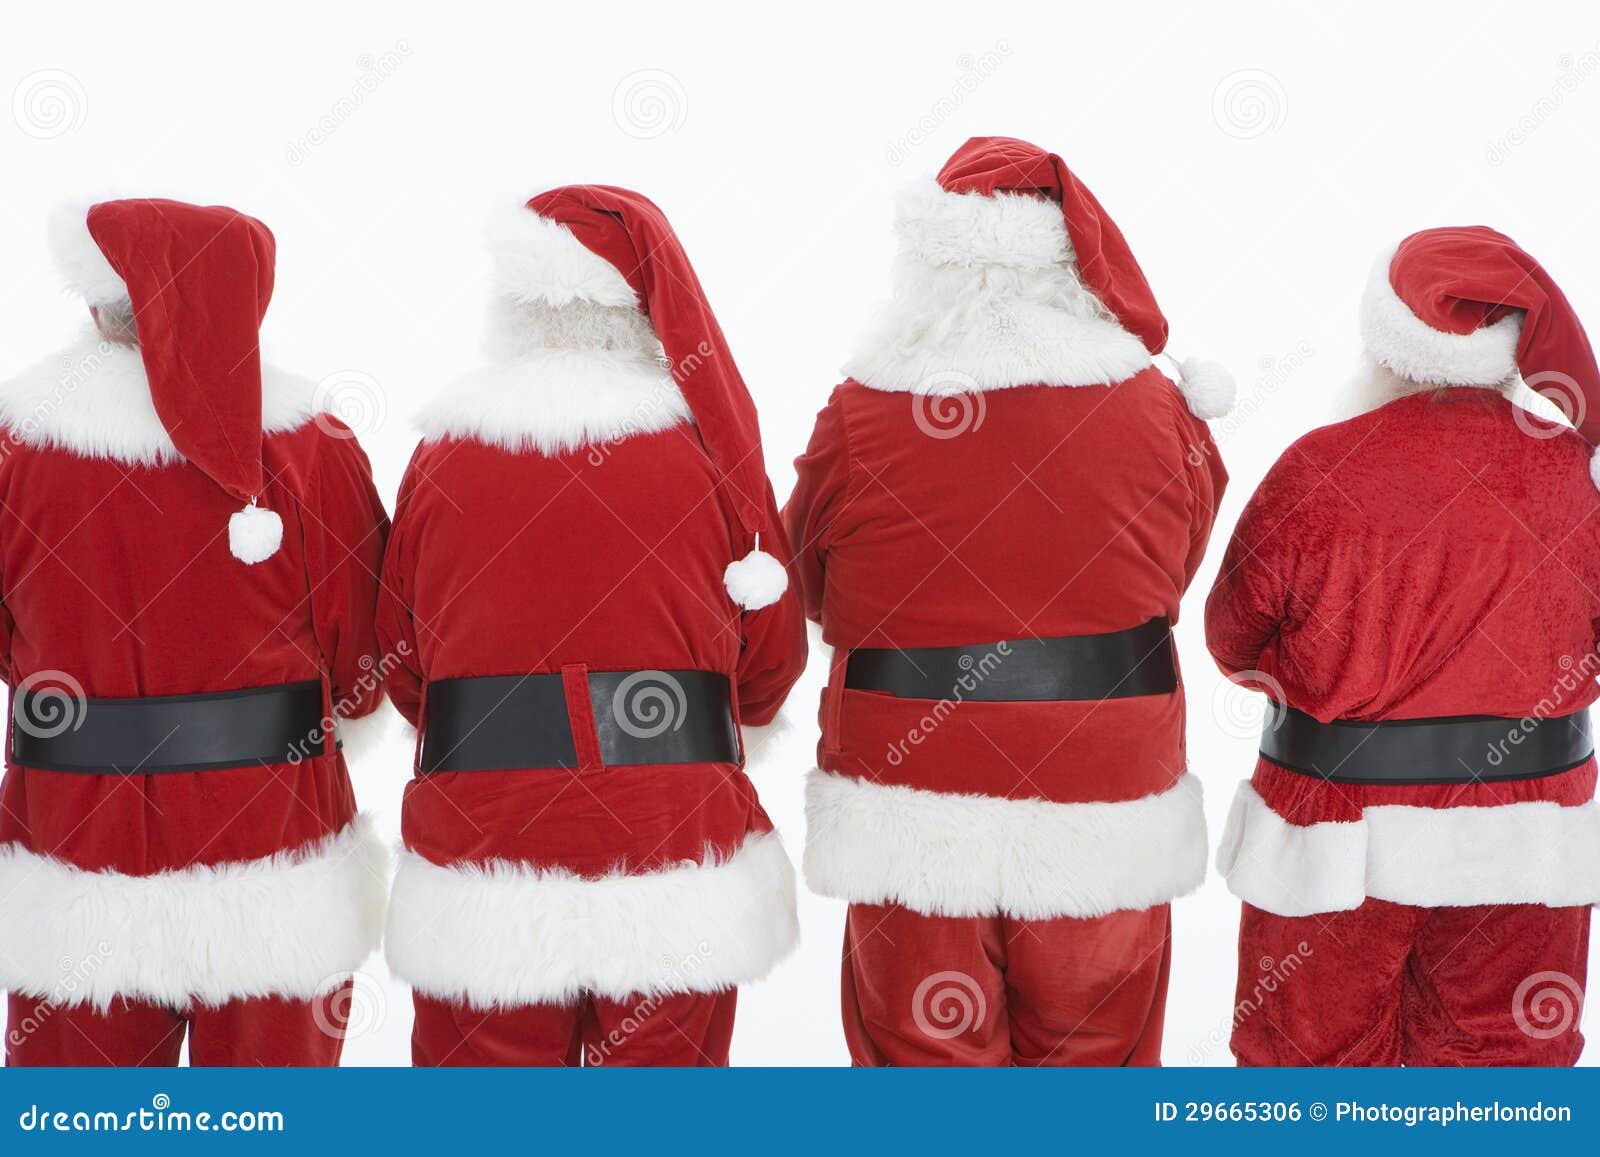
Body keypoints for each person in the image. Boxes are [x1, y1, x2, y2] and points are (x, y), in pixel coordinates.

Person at [784, 137, 1231, 1065]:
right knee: (1096, 1059)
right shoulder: (1156, 408)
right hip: (1105, 780)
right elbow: (1173, 567)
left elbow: (807, 579)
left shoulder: (865, 409)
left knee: (923, 1061)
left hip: (910, 788)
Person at [378, 185, 808, 1066]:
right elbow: (773, 656)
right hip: (670, 835)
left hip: (484, 837)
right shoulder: (709, 452)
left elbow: (399, 654)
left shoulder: (443, 452)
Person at [0, 198, 390, 1066]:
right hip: (274, 850)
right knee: (273, 1118)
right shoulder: (311, 443)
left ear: (96, 300)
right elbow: (366, 646)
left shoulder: (17, 443)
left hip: (75, 847)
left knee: (78, 1116)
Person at [1209, 226, 1600, 1065]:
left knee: (1311, 1076)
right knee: (1505, 1075)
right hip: (1529, 836)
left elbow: (1232, 637)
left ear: (1384, 340)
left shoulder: (1316, 468)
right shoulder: (1573, 474)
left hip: (1337, 834)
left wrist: (1327, 677)